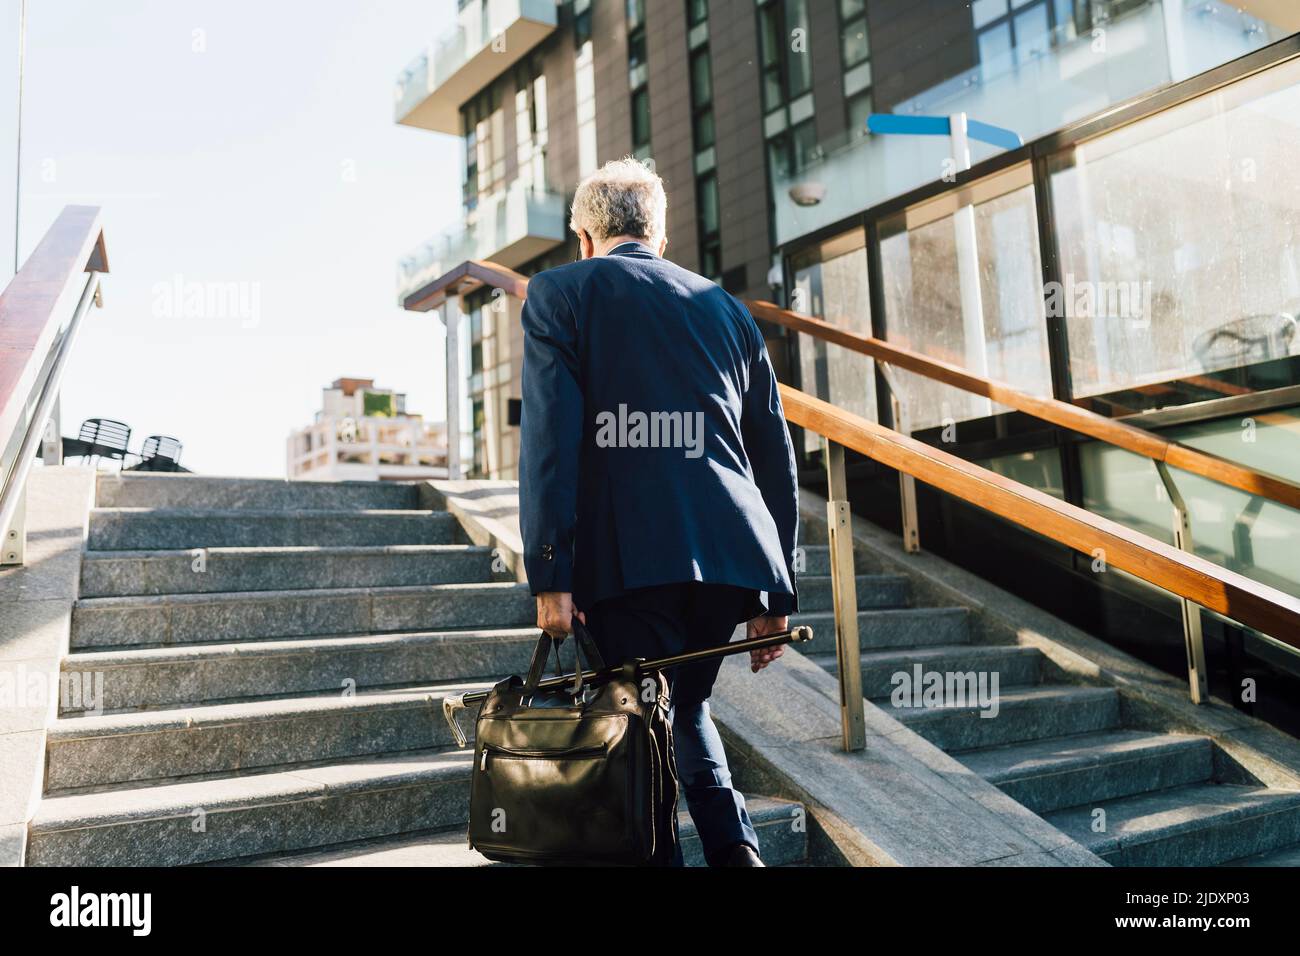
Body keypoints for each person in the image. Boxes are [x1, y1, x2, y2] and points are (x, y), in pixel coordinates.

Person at [518, 157, 800, 867]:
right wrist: (775, 594)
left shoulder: (559, 293)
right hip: (730, 560)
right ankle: (738, 853)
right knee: (686, 707)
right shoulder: (726, 309)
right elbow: (774, 454)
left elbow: (551, 440)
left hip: (627, 560)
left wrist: (551, 577)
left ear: (583, 235)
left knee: (639, 724)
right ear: (659, 237)